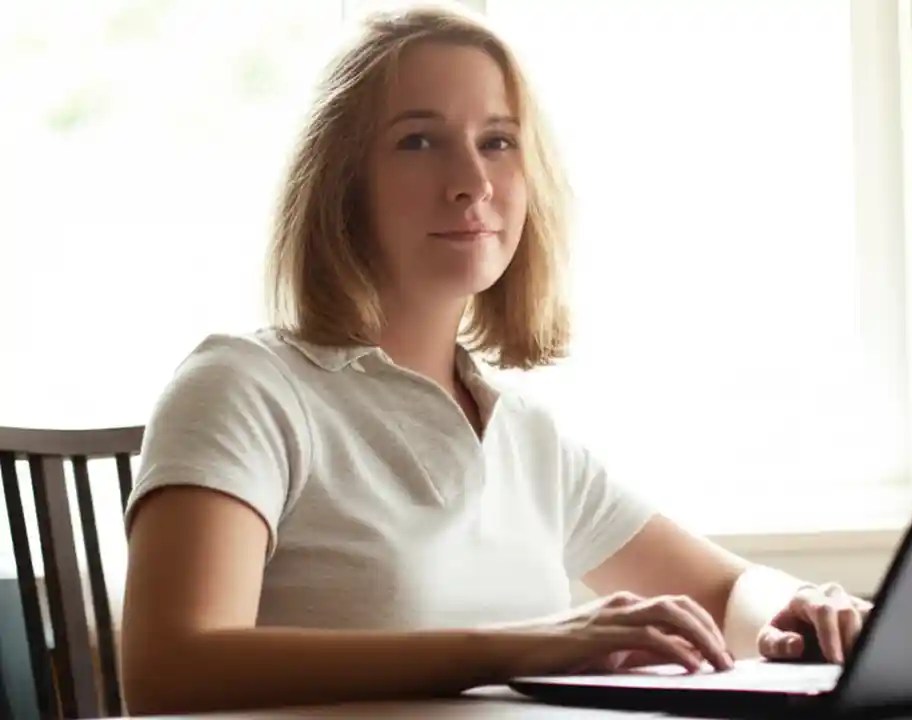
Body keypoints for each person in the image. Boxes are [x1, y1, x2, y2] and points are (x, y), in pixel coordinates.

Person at [120, 3, 872, 715]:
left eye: (498, 142)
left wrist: (801, 605)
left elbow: (726, 589)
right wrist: (520, 650)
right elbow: (170, 671)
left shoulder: (525, 435)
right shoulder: (246, 388)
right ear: (341, 184)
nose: (472, 183)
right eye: (419, 140)